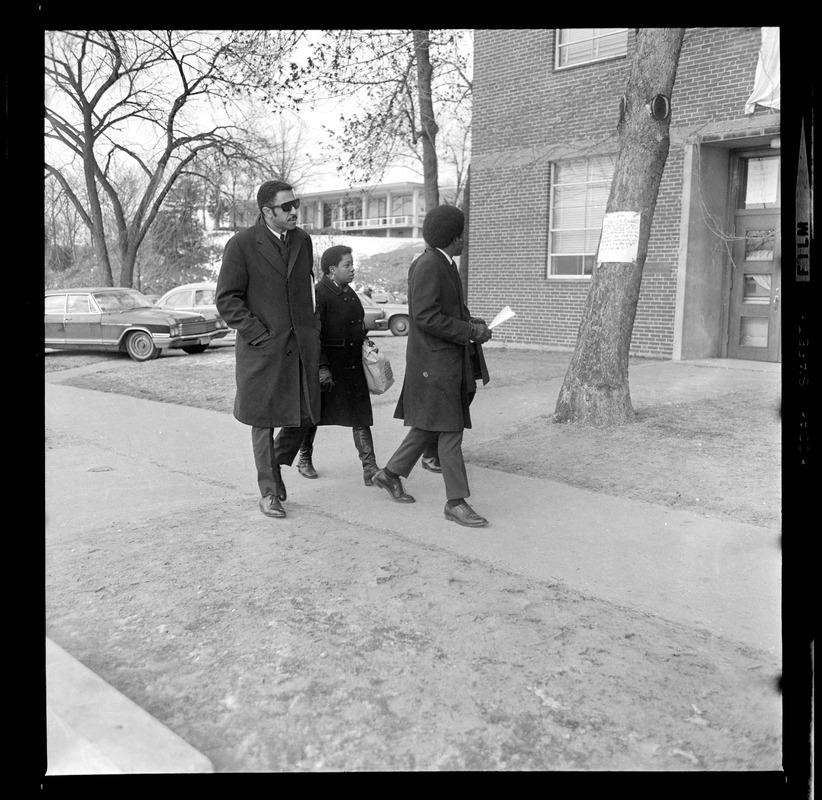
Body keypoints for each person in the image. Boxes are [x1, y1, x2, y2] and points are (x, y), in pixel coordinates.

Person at [371, 205, 493, 528]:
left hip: (442, 361)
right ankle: (455, 502)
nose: (464, 239)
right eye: (461, 234)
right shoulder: (429, 265)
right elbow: (425, 317)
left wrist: (474, 324)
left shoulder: (444, 263)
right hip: (434, 363)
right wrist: (469, 332)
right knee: (450, 430)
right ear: (452, 238)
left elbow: (446, 311)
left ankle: (389, 474)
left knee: (426, 427)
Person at [215, 180, 326, 519]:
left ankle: (275, 468)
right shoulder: (241, 244)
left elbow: (306, 291)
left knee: (306, 414)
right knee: (262, 422)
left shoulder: (303, 241)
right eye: (287, 207)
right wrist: (258, 334)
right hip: (262, 349)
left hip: (301, 347)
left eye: (297, 204)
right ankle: (268, 493)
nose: (295, 211)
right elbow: (226, 299)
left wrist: (312, 331)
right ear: (266, 212)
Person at [296, 245, 380, 486]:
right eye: (347, 265)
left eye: (352, 265)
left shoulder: (349, 292)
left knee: (360, 416)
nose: (352, 269)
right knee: (314, 416)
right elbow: (313, 335)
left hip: (352, 367)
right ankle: (304, 459)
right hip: (329, 368)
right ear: (332, 270)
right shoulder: (318, 294)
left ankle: (370, 468)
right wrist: (322, 368)